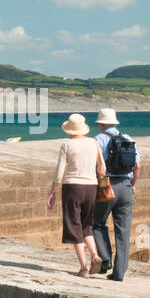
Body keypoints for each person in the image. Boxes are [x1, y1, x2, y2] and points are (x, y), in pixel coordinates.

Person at [48, 114, 106, 277]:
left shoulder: (67, 145)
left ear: (69, 129)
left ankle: (83, 268)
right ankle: (94, 254)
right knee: (86, 225)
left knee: (74, 226)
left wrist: (53, 190)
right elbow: (102, 168)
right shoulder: (94, 143)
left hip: (73, 187)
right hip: (91, 187)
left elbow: (59, 171)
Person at [93, 108, 140, 282]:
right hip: (126, 187)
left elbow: (96, 165)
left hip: (107, 185)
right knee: (123, 231)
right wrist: (132, 185)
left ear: (102, 124)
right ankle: (119, 273)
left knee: (96, 222)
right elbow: (137, 166)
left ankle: (105, 260)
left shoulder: (98, 140)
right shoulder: (128, 139)